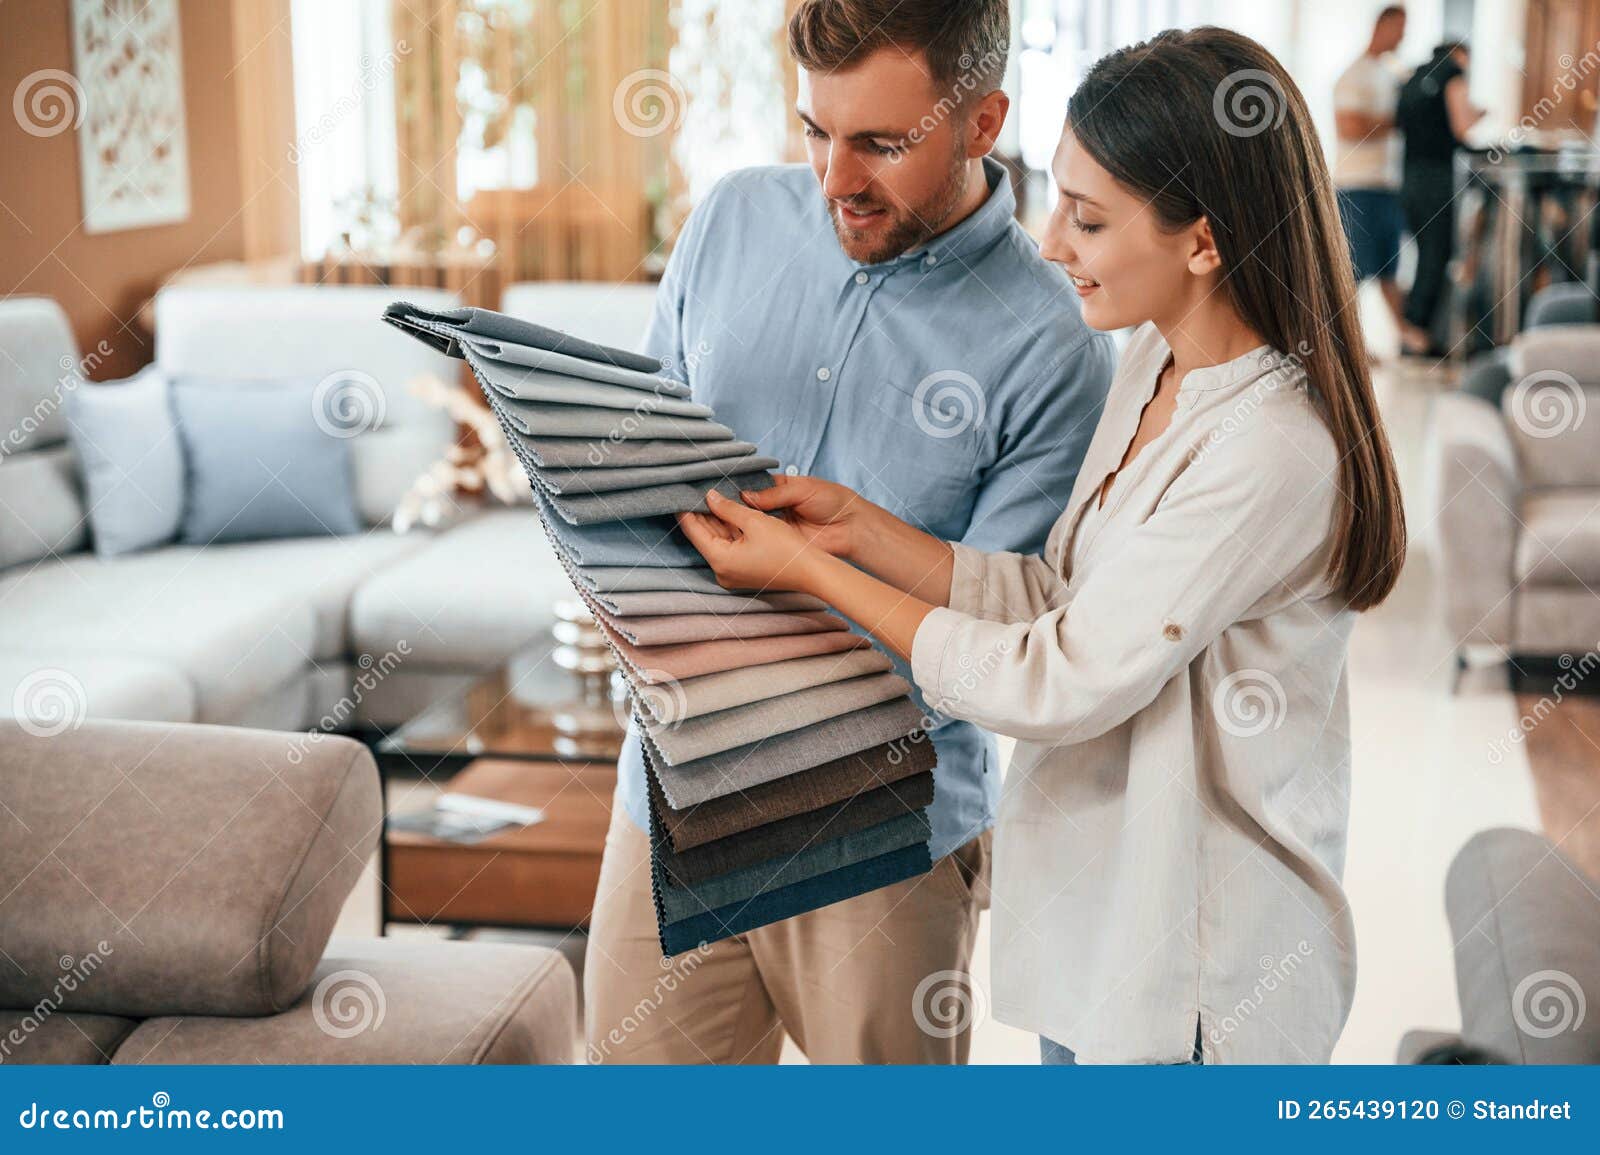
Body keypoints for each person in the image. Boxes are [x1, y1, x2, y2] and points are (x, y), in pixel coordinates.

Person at [677, 26, 1408, 1064]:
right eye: (1058, 202)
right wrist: (862, 530)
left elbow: (1061, 678)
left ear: (1202, 242)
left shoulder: (1269, 449)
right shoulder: (1154, 365)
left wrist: (814, 572)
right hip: (1098, 953)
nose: (1052, 242)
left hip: (1199, 986)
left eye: (1088, 218)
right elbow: (1061, 596)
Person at [584, 0, 1115, 1065]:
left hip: (878, 837)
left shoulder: (1054, 344)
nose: (836, 178)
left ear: (981, 122)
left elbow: (996, 638)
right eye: (815, 131)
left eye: (880, 143)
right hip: (675, 802)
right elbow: (639, 458)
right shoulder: (731, 220)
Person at [1333, 5, 1427, 355]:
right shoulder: (1354, 76)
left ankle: (1403, 333)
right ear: (1381, 26)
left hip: (1386, 187)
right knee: (1351, 273)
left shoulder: (1389, 74)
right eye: (1399, 28)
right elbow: (1350, 127)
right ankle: (1345, 346)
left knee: (1388, 267)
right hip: (1357, 187)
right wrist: (1399, 120)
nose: (1403, 36)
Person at [1396, 40, 1485, 356]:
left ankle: (1412, 332)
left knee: (1424, 255)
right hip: (1438, 179)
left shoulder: (1413, 77)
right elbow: (1461, 126)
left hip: (1409, 178)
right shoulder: (1452, 74)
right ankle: (1419, 333)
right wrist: (1481, 113)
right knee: (1437, 255)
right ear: (1459, 55)